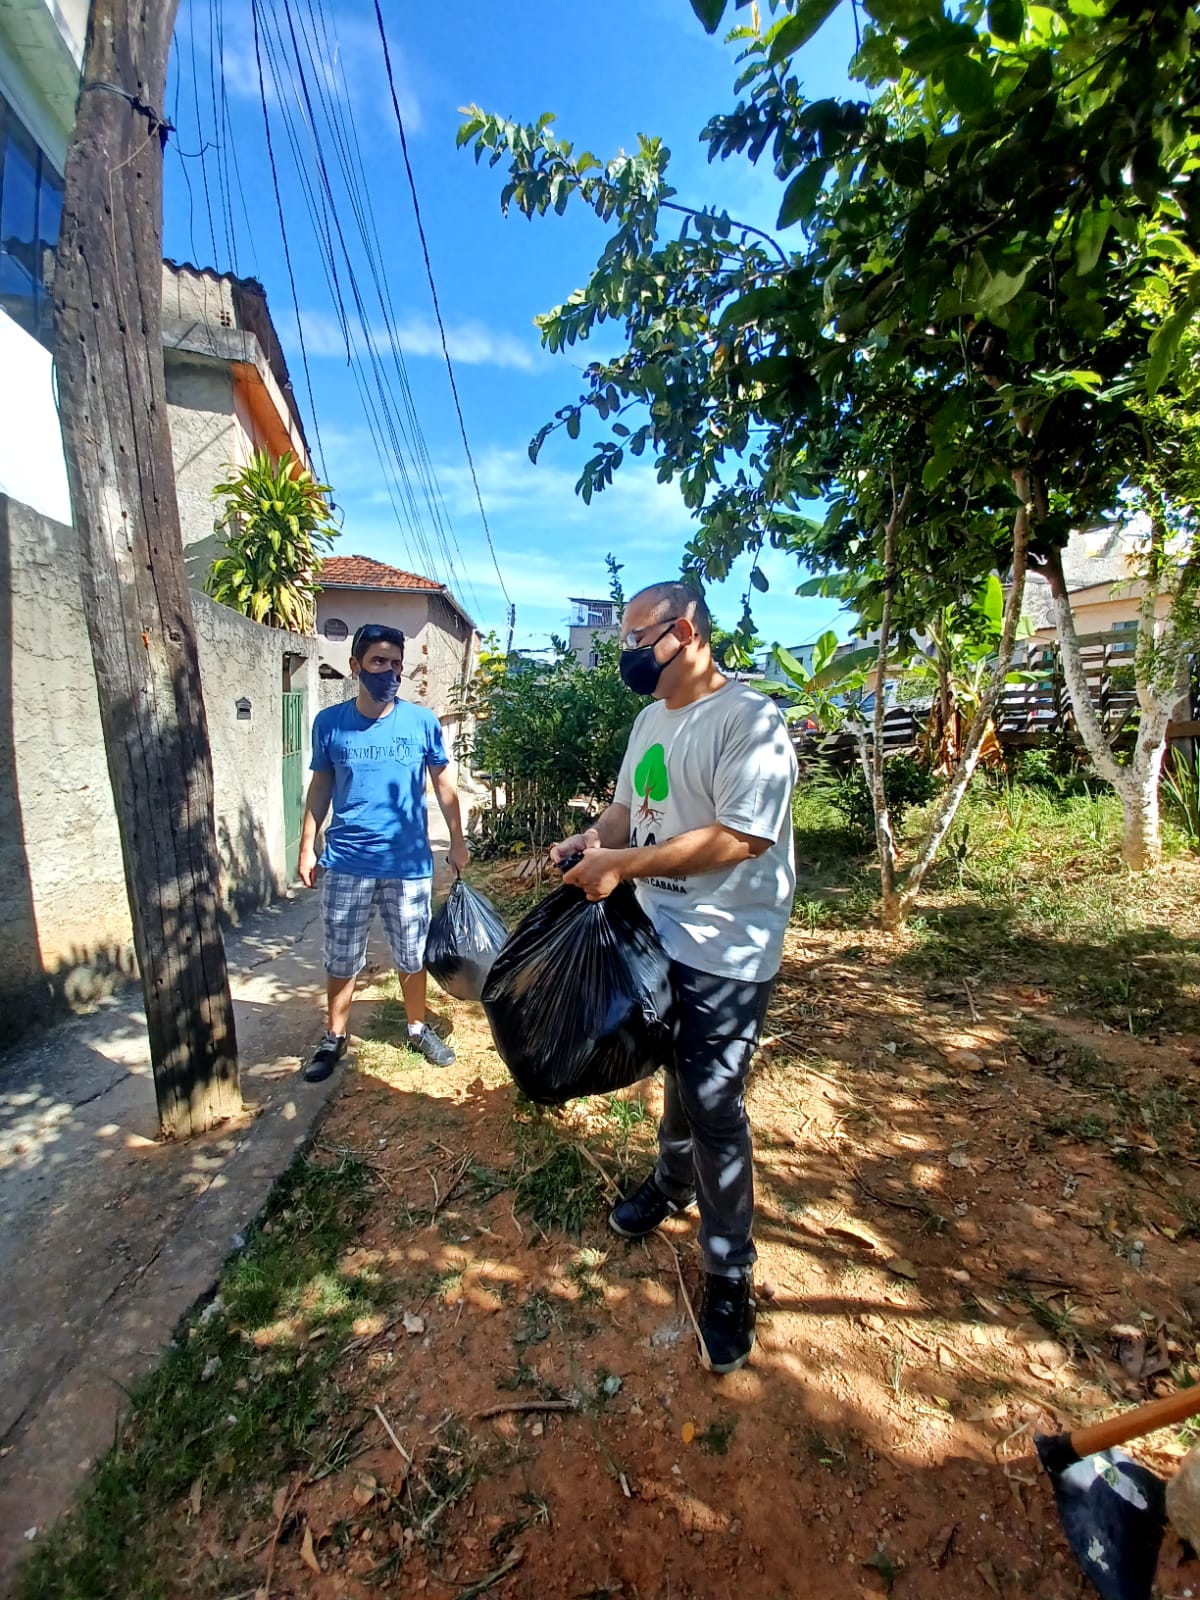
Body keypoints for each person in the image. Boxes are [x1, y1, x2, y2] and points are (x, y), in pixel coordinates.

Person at [550, 582, 797, 1374]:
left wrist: (623, 867)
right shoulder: (650, 719)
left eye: (635, 636)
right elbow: (627, 811)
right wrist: (591, 842)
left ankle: (728, 1272)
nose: (624, 652)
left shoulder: (749, 723)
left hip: (728, 945)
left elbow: (737, 840)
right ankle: (671, 1182)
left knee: (716, 1098)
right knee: (673, 1067)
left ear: (684, 632)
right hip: (658, 929)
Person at [298, 622, 470, 1083]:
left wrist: (457, 839)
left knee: (412, 955)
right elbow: (320, 787)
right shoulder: (330, 724)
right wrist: (307, 847)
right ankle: (335, 1037)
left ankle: (417, 1028)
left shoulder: (421, 722)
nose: (390, 672)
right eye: (379, 662)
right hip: (347, 862)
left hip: (408, 864)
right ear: (356, 666)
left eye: (397, 664)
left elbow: (443, 783)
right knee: (341, 956)